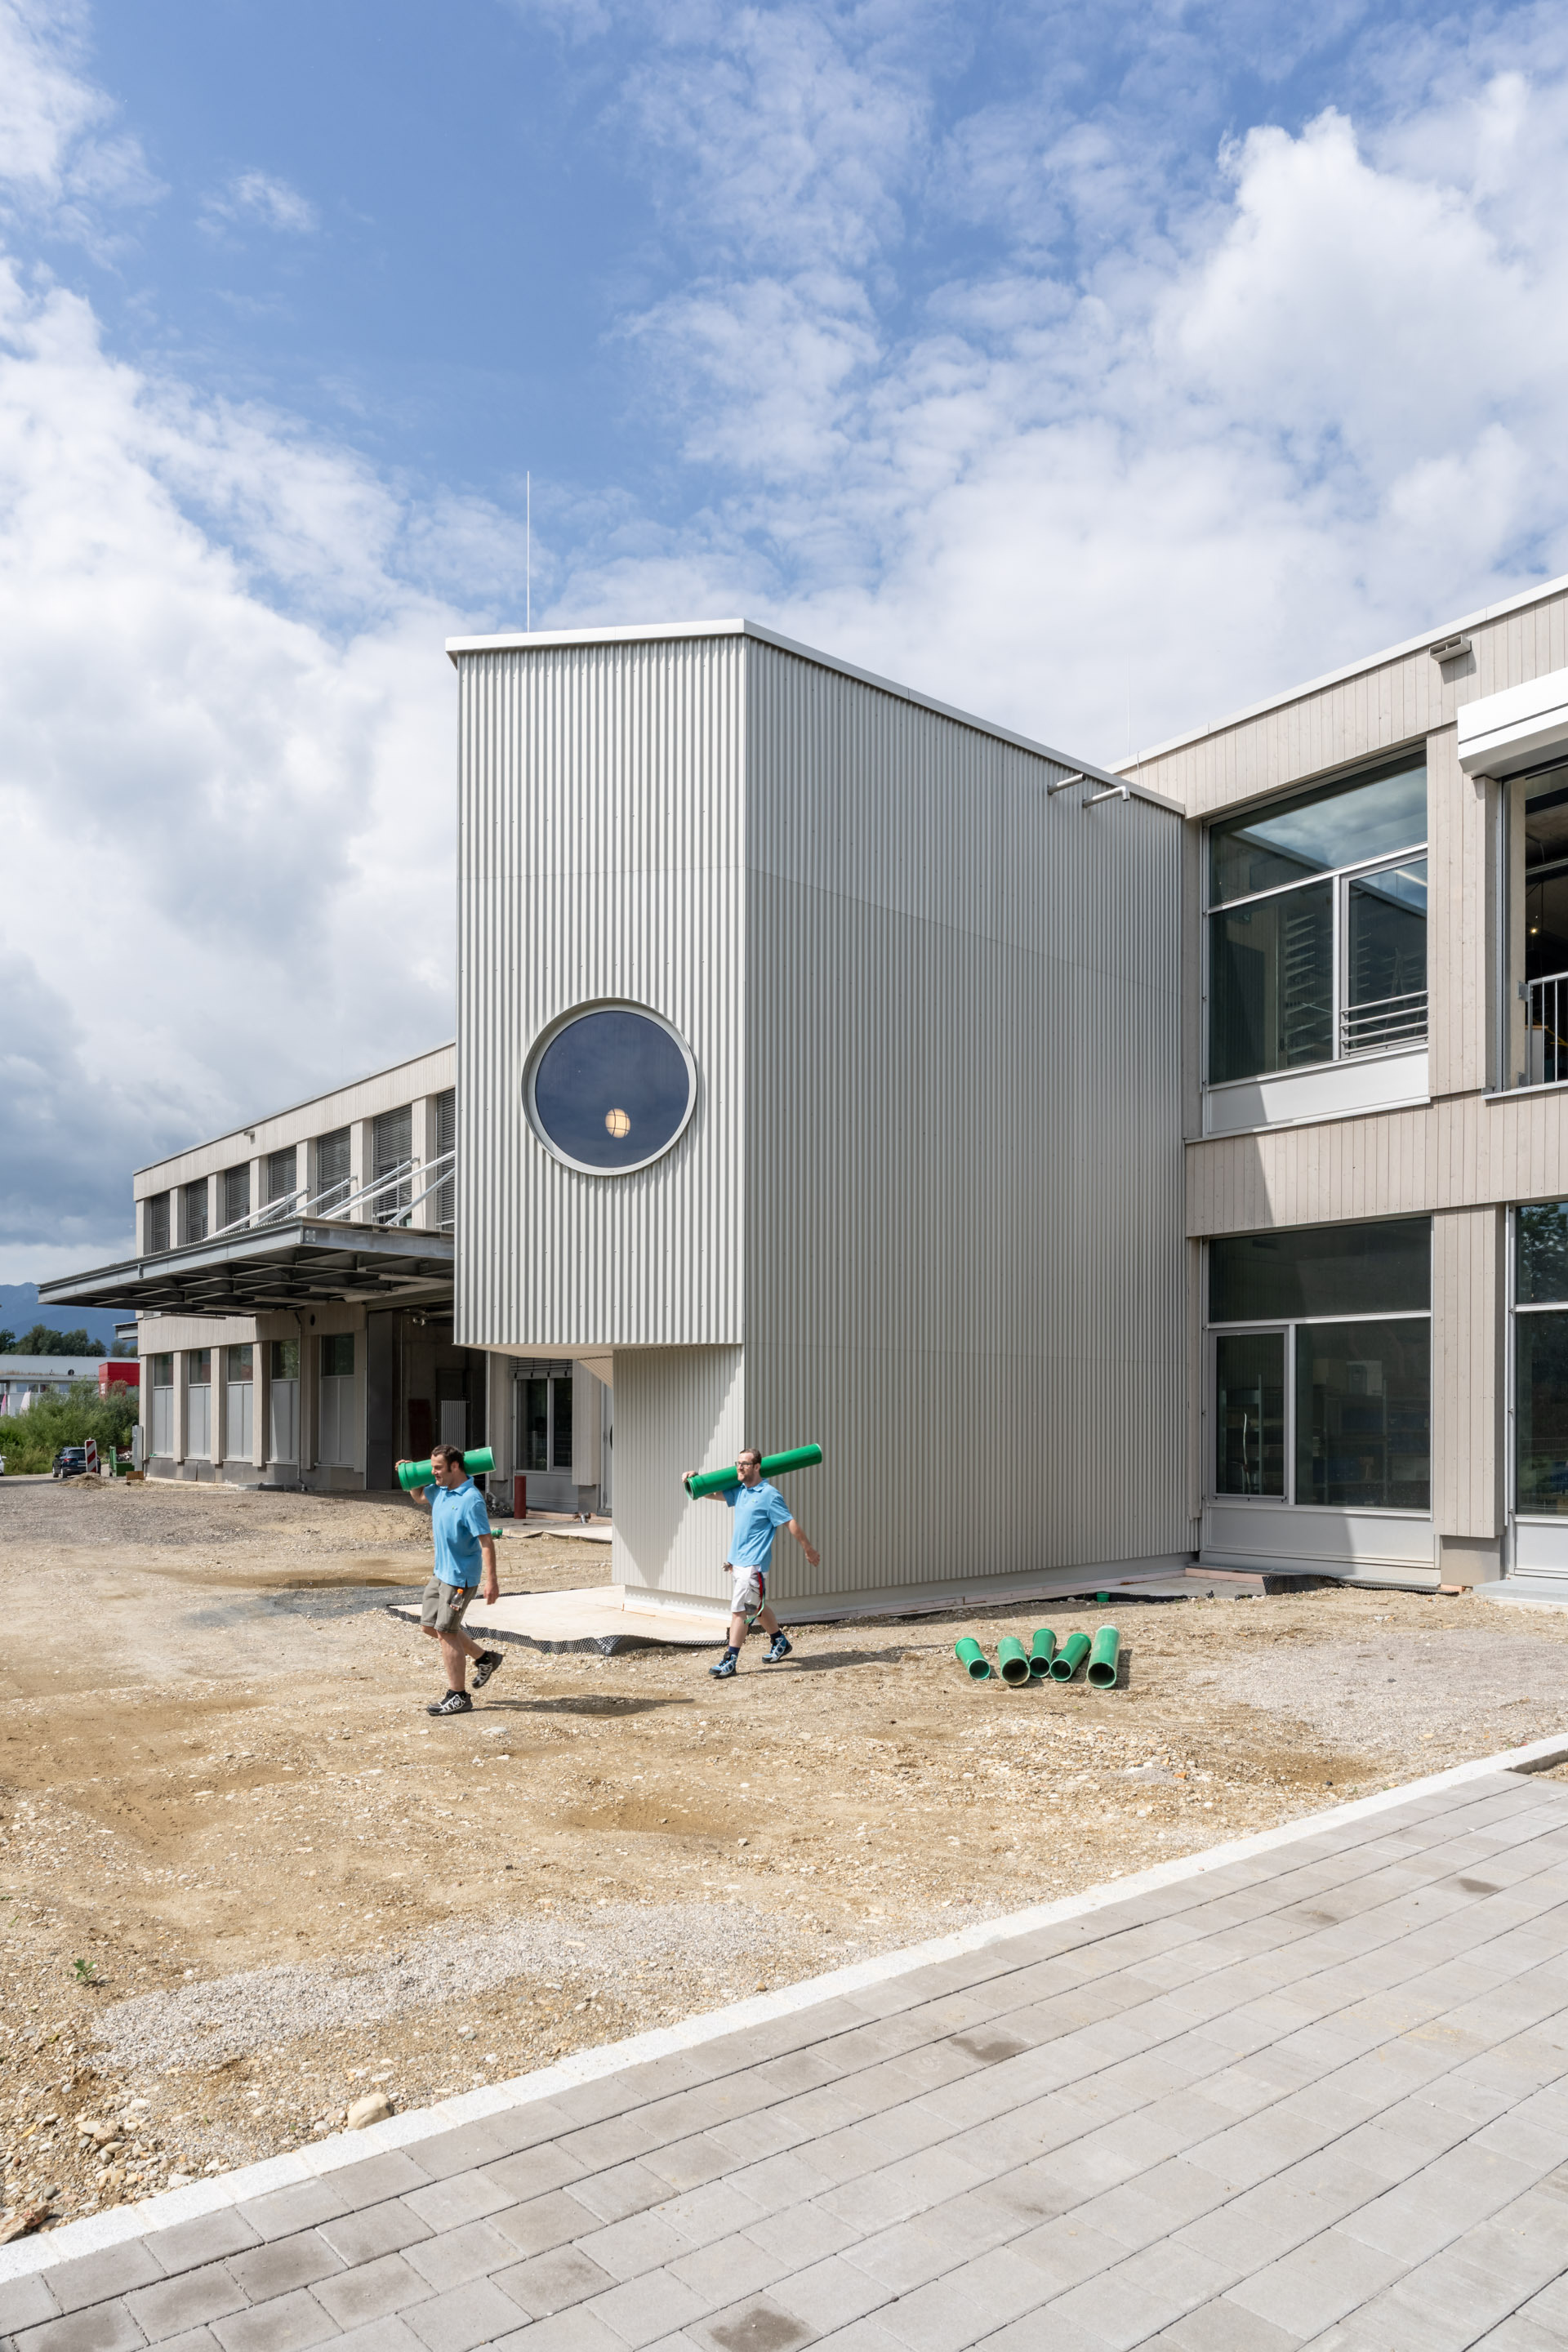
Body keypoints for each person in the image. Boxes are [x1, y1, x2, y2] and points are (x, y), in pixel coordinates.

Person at [684, 1446, 820, 1679]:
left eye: (745, 1464)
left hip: (754, 1565)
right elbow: (712, 1494)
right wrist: (695, 1481)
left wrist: (808, 1549)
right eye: (737, 1463)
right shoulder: (741, 1491)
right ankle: (780, 1642)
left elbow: (790, 1523)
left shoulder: (769, 1495)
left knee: (740, 1611)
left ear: (757, 1467)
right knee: (755, 1608)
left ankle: (730, 1659)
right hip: (738, 1562)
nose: (739, 1467)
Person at [399, 1442, 506, 1717]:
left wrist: (491, 1581)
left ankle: (458, 1696)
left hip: (460, 1578)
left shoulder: (471, 1499)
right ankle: (485, 1658)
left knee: (446, 1632)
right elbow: (419, 1497)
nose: (433, 1472)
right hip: (440, 1573)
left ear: (454, 1466)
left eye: (438, 1468)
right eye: (431, 1467)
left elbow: (486, 1542)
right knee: (430, 1627)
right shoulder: (441, 1490)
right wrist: (412, 1475)